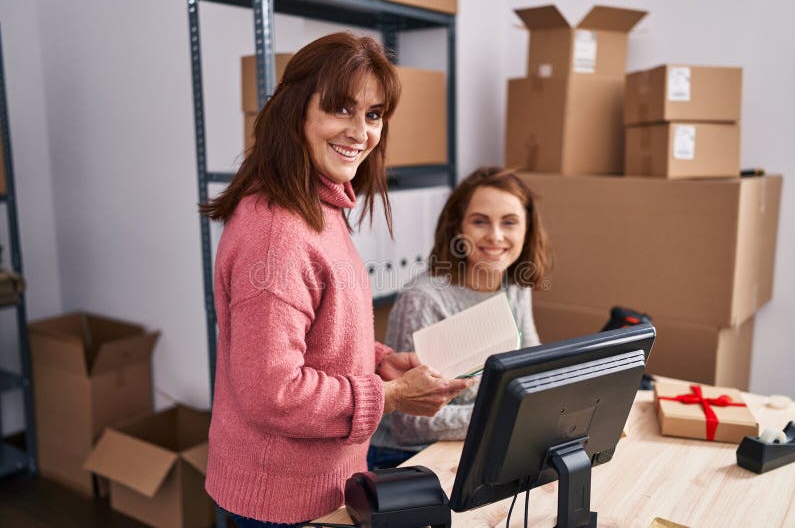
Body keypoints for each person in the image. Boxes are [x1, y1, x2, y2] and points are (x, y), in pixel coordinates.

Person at [201, 33, 474, 527]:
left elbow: (315, 339)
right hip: (278, 500)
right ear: (295, 112)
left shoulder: (319, 206)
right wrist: (388, 397)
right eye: (341, 110)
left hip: (323, 482)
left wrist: (379, 362)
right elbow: (274, 392)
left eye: (373, 115)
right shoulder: (276, 234)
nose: (360, 132)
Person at [368, 167, 554, 469]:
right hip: (407, 457)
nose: (495, 236)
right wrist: (507, 418)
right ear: (458, 229)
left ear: (528, 230)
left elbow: (532, 366)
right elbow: (407, 425)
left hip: (474, 442)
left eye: (509, 222)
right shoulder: (423, 300)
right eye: (480, 221)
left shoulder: (515, 285)